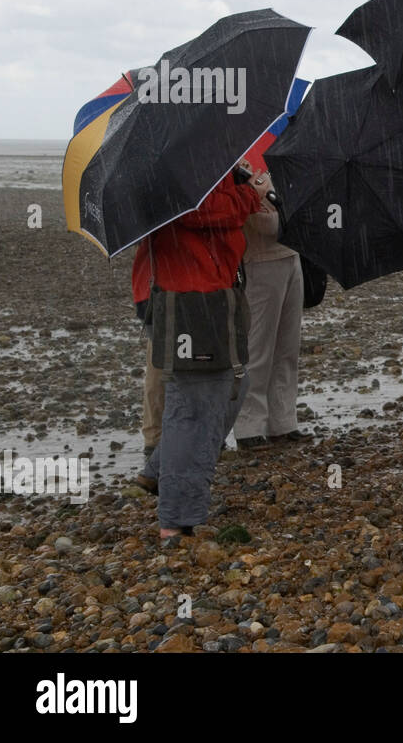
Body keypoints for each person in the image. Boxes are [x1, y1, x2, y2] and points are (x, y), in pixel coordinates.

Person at [137, 163, 264, 539]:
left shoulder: (197, 151)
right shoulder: (182, 158)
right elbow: (200, 209)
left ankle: (159, 474)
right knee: (194, 406)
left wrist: (242, 187)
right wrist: (250, 194)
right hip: (191, 298)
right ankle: (176, 523)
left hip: (207, 292)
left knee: (228, 389)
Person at [232, 190, 306, 447]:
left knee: (288, 348)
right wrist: (290, 214)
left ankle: (283, 421)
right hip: (259, 262)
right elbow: (263, 223)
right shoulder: (240, 168)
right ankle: (248, 426)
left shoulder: (280, 160)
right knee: (258, 349)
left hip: (291, 258)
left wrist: (286, 214)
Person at [130, 244, 164, 493]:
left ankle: (157, 441)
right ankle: (155, 442)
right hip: (158, 289)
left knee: (161, 368)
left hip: (158, 287)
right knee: (160, 369)